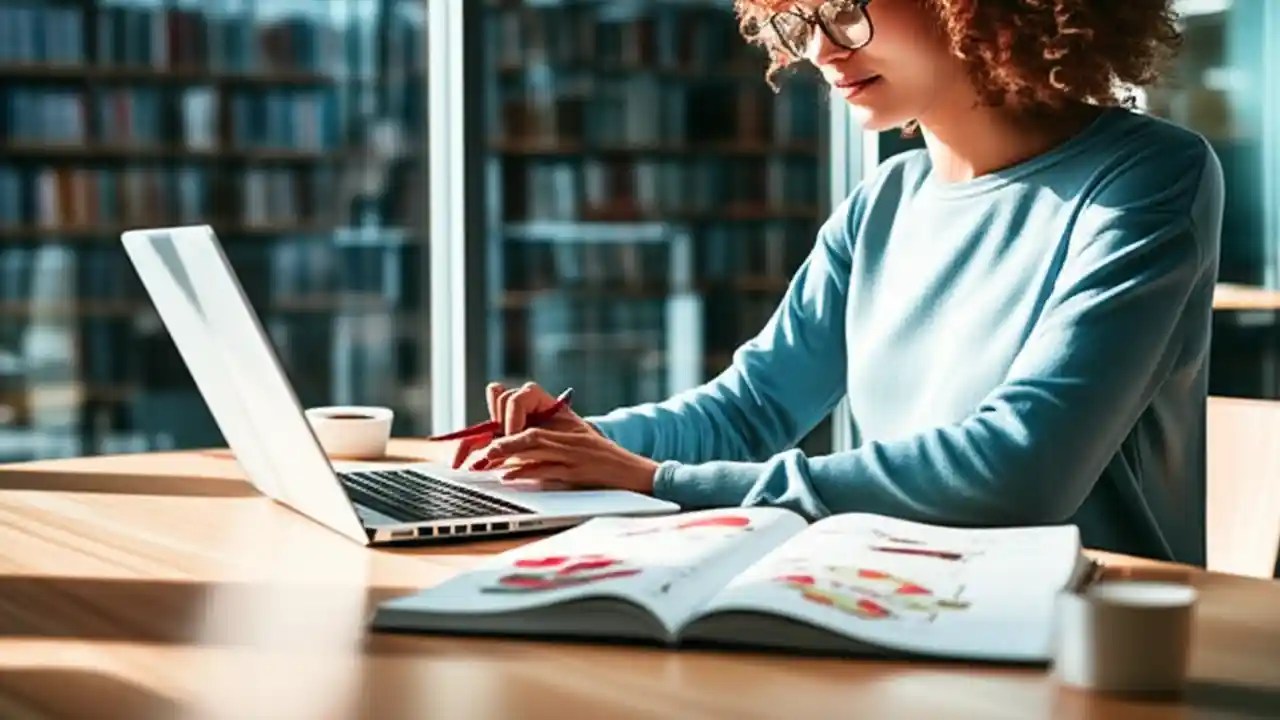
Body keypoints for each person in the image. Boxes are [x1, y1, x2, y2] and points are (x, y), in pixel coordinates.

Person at [459, 0, 1224, 566]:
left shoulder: (1147, 177)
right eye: (801, 19)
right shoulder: (882, 204)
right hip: (901, 596)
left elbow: (1020, 473)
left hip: (1090, 640)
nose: (822, 51)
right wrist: (578, 444)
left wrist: (659, 479)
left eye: (846, 11)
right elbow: (751, 407)